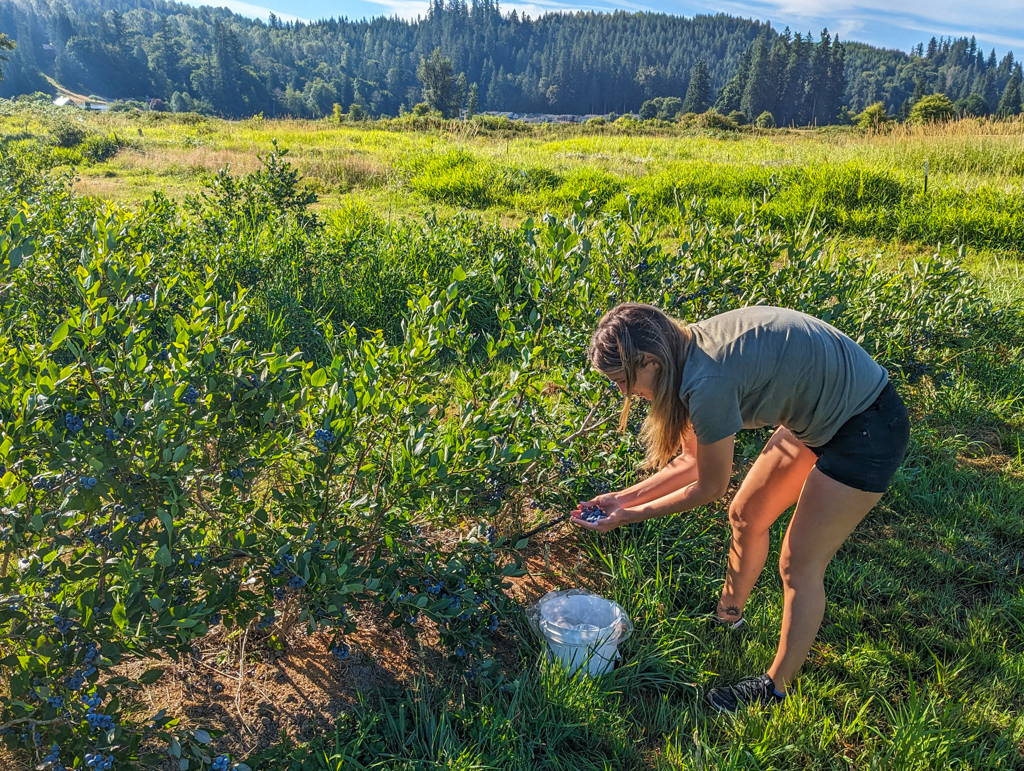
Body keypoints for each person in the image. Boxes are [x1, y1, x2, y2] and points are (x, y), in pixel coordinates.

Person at [570, 302, 910, 712]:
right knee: (746, 515)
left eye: (623, 381)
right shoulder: (686, 352)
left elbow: (708, 486)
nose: (624, 393)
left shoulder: (707, 381)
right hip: (821, 415)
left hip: (867, 427)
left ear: (649, 361)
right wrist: (620, 499)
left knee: (798, 563)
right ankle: (729, 616)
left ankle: (775, 689)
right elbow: (691, 461)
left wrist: (630, 516)